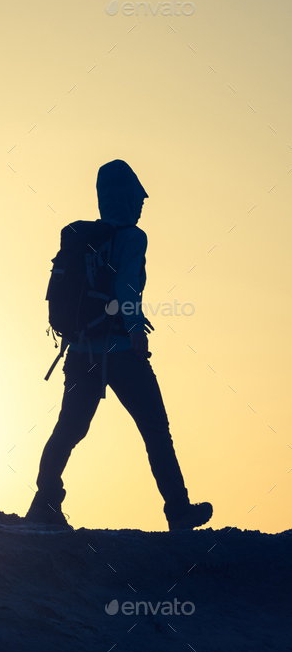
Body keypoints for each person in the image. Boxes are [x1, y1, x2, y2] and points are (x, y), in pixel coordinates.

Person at [25, 159, 213, 532]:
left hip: (80, 352)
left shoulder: (84, 240)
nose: (142, 204)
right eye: (137, 197)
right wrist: (135, 329)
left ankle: (44, 502)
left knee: (69, 429)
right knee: (156, 430)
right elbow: (128, 285)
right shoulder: (132, 237)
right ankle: (179, 512)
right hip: (120, 352)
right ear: (126, 198)